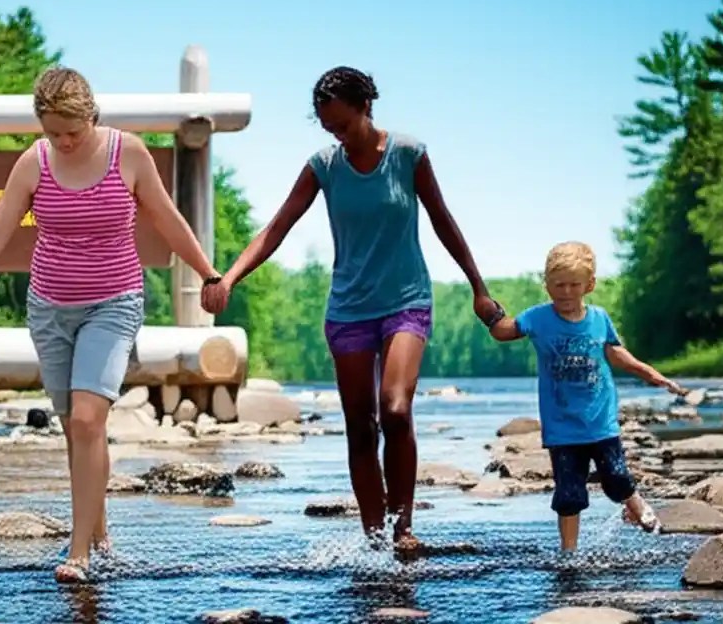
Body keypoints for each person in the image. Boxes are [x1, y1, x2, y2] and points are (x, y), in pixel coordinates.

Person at [0, 66, 221, 583]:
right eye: (52, 132)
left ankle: (78, 554)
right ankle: (98, 533)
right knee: (74, 429)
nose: (63, 142)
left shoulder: (130, 153)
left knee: (85, 419)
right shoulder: (33, 163)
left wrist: (209, 272)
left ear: (92, 116)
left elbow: (167, 218)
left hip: (113, 303)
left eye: (71, 132)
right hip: (50, 307)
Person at [201, 66, 501, 555]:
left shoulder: (408, 155)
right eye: (328, 128)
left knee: (395, 410)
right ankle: (374, 537)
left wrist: (478, 288)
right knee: (361, 425)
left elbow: (444, 221)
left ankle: (403, 529)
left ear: (366, 107)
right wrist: (229, 277)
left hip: (406, 300)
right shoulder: (323, 165)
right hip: (349, 309)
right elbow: (276, 228)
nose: (337, 136)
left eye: (342, 124)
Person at [485, 240, 689, 551]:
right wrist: (489, 311)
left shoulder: (598, 319)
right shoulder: (538, 318)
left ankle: (634, 504)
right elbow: (504, 331)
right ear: (547, 285)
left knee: (616, 479)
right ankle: (569, 554)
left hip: (599, 420)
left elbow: (617, 354)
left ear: (589, 285)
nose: (566, 292)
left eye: (573, 285)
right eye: (558, 285)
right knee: (569, 495)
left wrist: (652, 375)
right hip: (561, 426)